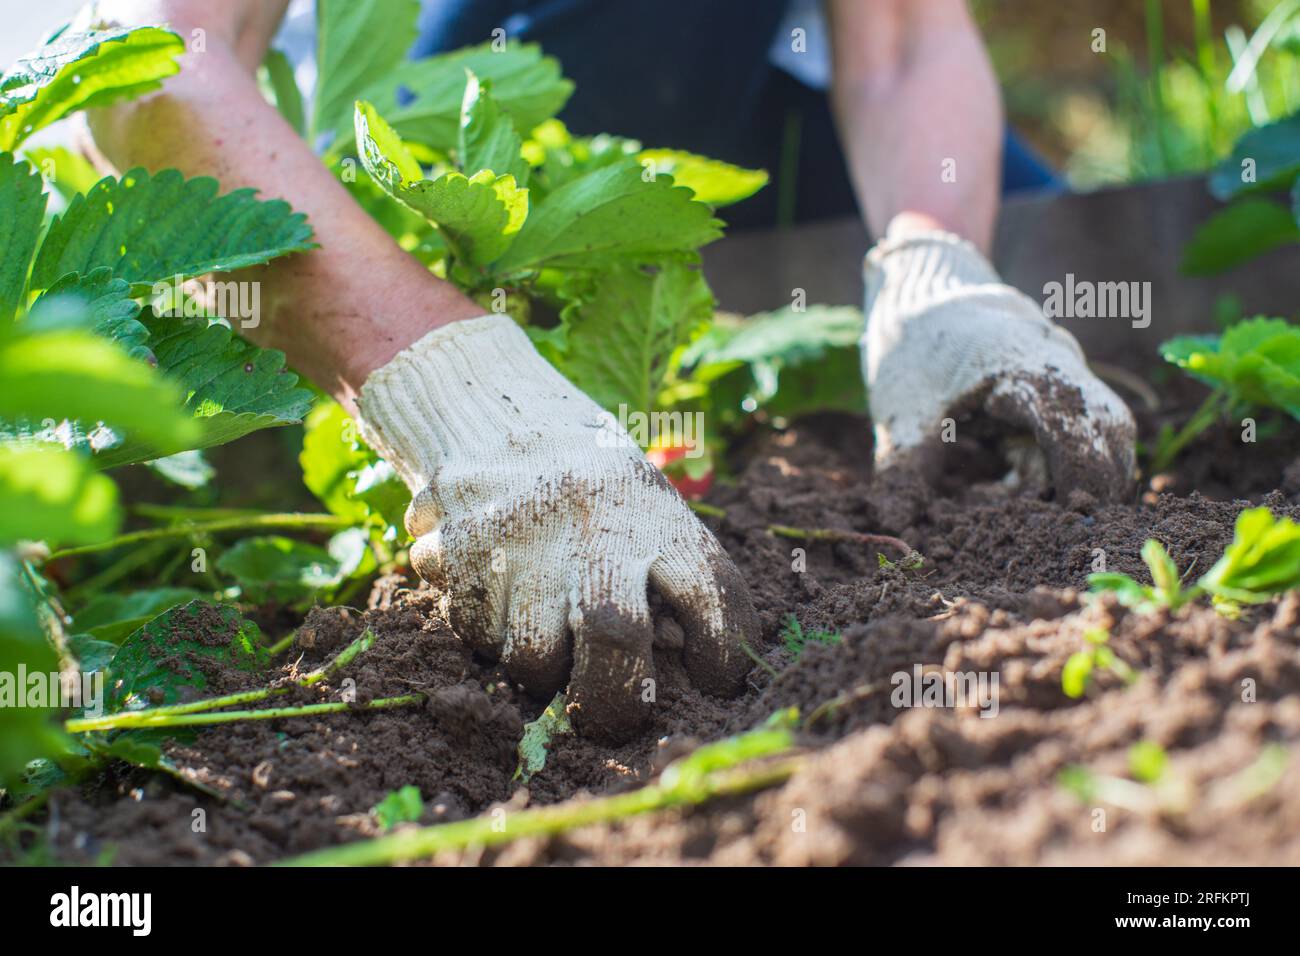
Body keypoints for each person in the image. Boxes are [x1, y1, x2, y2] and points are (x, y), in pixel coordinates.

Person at [85, 0, 1136, 738]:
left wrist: (936, 265)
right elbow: (144, 66)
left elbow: (906, 37)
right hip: (360, 156)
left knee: (1042, 219)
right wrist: (451, 385)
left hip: (735, 70)